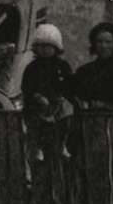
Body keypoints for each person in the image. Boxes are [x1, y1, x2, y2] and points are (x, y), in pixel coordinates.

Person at [21, 22, 75, 161]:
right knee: (35, 121)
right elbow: (27, 86)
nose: (44, 50)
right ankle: (37, 146)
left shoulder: (62, 66)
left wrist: (61, 97)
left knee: (67, 112)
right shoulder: (32, 67)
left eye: (48, 46)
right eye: (41, 46)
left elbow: (68, 85)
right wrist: (36, 96)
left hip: (57, 103)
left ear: (56, 48)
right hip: (38, 104)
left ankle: (63, 144)